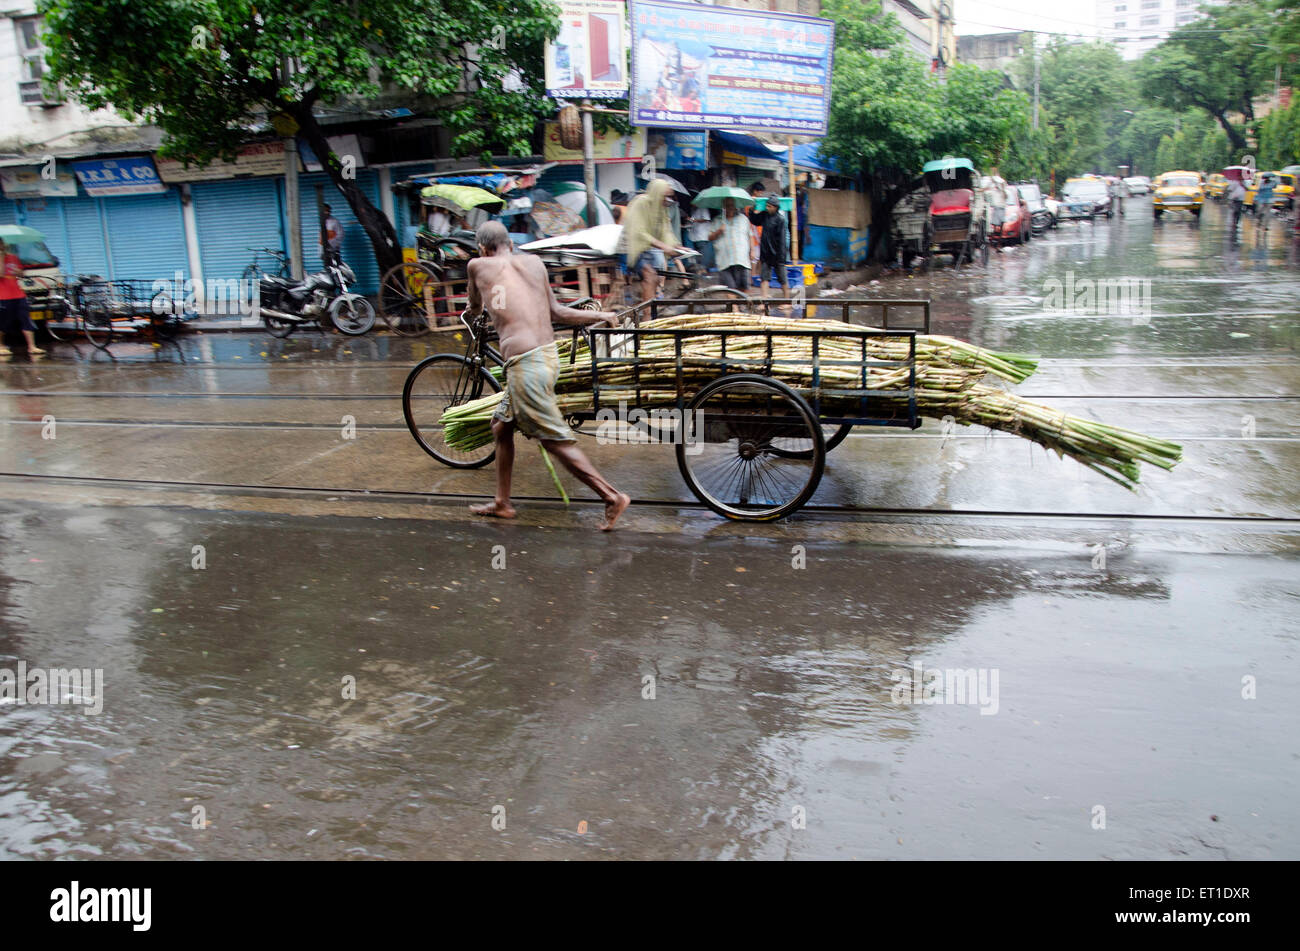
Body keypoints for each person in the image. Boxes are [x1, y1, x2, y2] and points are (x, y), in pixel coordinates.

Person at [465, 221, 630, 530]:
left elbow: (474, 307)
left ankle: (611, 496)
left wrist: (475, 310)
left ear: (483, 249)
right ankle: (502, 503)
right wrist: (601, 314)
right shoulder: (535, 262)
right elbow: (557, 311)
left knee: (553, 440)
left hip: (526, 365)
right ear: (510, 244)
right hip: (546, 357)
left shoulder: (477, 265)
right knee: (501, 426)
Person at [621, 179, 688, 303]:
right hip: (629, 248)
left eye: (670, 197)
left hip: (646, 248)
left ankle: (650, 309)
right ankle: (647, 315)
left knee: (656, 279)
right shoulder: (641, 203)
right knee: (650, 276)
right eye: (666, 196)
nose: (669, 200)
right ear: (658, 193)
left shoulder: (661, 209)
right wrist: (663, 246)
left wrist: (678, 246)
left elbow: (666, 231)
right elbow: (638, 231)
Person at [0, 239, 44, 358]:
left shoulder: (13, 257)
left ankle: (32, 346)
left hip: (18, 294)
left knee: (25, 319)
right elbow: (1, 273)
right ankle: (1, 346)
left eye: (2, 244)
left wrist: (19, 271)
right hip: (3, 296)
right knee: (4, 322)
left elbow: (22, 274)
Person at [709, 197, 753, 292]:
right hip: (724, 259)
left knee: (744, 287)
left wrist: (752, 251)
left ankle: (742, 305)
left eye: (731, 205)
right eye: (727, 206)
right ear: (723, 207)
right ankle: (734, 306)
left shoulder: (743, 219)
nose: (730, 208)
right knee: (730, 288)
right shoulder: (717, 220)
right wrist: (719, 231)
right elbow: (710, 237)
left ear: (735, 206)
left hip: (742, 259)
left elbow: (750, 235)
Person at [755, 199, 790, 303]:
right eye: (767, 206)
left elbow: (782, 240)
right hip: (766, 252)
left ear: (775, 207)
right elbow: (755, 221)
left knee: (782, 279)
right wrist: (753, 210)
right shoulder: (764, 216)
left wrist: (782, 257)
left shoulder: (781, 219)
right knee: (764, 278)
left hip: (778, 254)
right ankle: (764, 302)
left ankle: (787, 302)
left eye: (769, 206)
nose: (767, 208)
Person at [686, 204, 715, 273]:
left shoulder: (703, 207)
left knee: (703, 254)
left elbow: (706, 218)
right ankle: (699, 269)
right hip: (696, 235)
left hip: (703, 235)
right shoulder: (694, 210)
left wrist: (693, 220)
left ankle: (703, 269)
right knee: (698, 253)